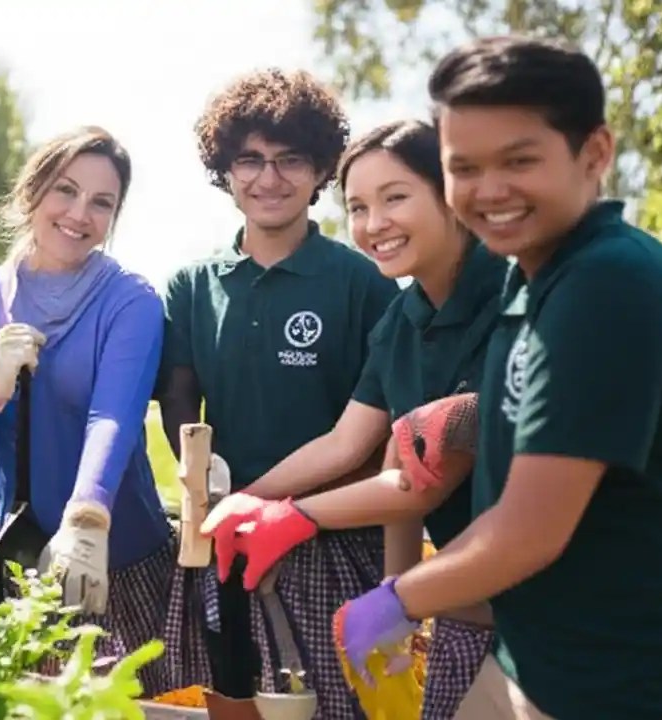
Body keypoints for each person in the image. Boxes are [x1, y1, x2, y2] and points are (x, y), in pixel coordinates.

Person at [333, 35, 662, 720]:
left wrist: (394, 601)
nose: (488, 191)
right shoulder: (534, 287)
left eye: (519, 161)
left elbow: (529, 531)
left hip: (626, 681)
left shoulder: (606, 284)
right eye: (463, 167)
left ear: (595, 153)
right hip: (533, 661)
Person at [200, 119, 507, 719]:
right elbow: (351, 444)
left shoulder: (512, 298)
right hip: (468, 609)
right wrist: (245, 502)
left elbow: (430, 472)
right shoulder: (399, 326)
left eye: (395, 197)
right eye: (359, 207)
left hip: (569, 611)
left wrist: (291, 516)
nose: (374, 224)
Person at [156, 68, 400, 717]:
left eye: (290, 159)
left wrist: (283, 507)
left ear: (322, 168)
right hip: (226, 534)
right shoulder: (192, 284)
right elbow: (178, 395)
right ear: (225, 170)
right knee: (233, 695)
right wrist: (199, 477)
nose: (269, 179)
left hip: (332, 539)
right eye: (250, 160)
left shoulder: (363, 283)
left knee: (338, 704)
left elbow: (374, 433)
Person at [0, 125, 174, 696]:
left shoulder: (131, 300)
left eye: (102, 202)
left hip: (118, 557)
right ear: (30, 193)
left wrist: (87, 521)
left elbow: (112, 417)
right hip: (20, 559)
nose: (79, 213)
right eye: (65, 190)